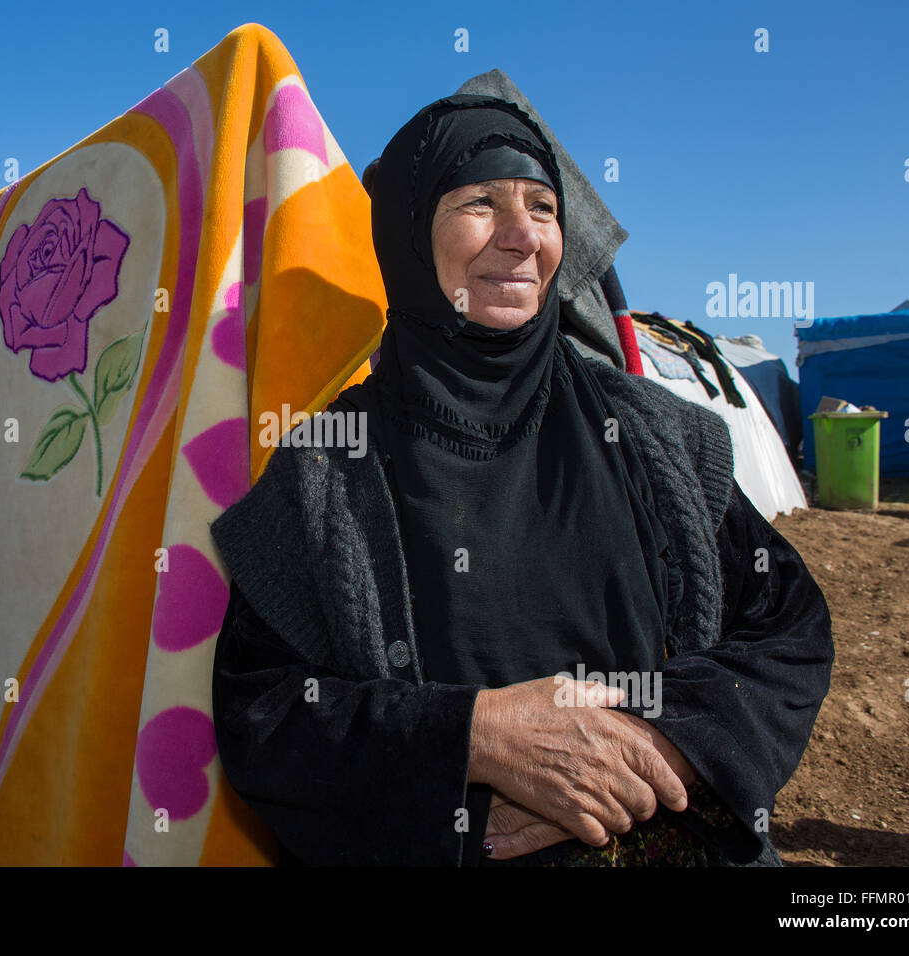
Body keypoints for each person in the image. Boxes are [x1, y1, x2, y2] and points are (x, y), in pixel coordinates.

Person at [208, 93, 834, 866]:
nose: (521, 235)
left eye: (542, 206)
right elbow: (265, 715)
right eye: (479, 202)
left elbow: (789, 628)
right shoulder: (325, 473)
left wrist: (661, 749)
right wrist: (473, 740)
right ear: (406, 233)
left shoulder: (655, 436)